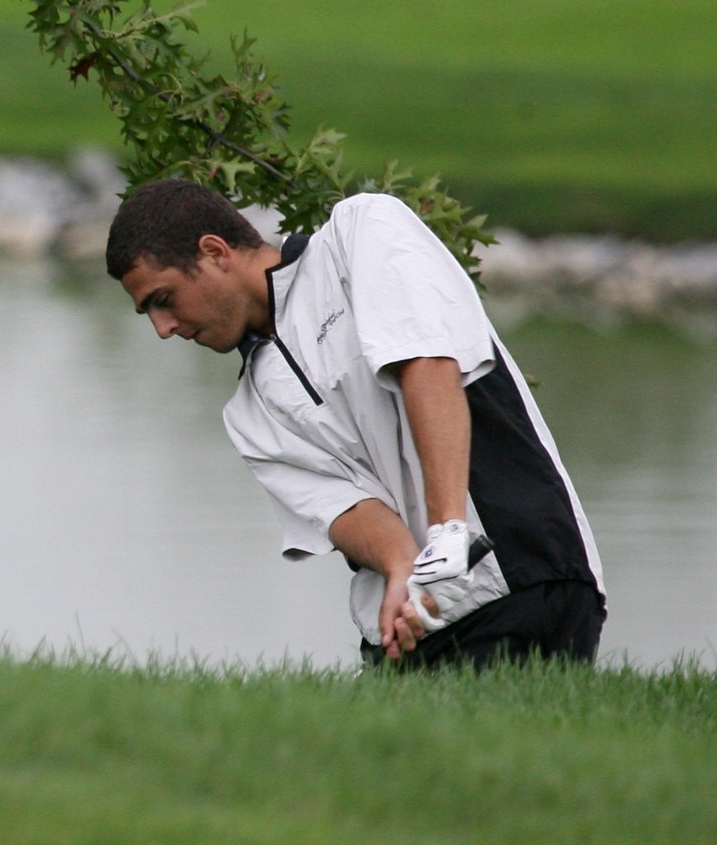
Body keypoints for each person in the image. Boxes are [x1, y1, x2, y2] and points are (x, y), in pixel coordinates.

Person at [105, 178, 606, 667]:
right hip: (404, 631)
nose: (163, 329)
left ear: (215, 252)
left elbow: (427, 360)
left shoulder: (359, 233)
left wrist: (449, 532)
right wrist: (403, 569)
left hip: (524, 575)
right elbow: (347, 508)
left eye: (163, 299)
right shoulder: (248, 415)